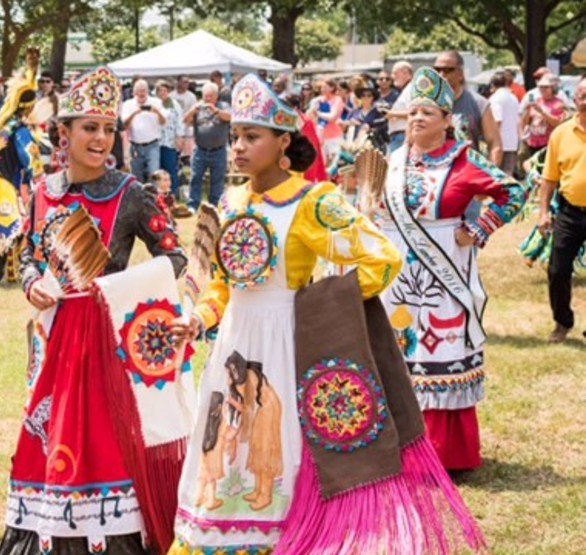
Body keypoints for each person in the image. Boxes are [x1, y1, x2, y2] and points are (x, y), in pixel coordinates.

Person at [171, 72, 485, 555]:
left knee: (277, 445)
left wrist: (321, 306)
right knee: (226, 441)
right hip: (233, 345)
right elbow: (222, 283)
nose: (238, 147)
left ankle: (286, 537)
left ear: (283, 144)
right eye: (235, 136)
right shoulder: (232, 202)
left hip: (286, 342)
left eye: (252, 137)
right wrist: (200, 319)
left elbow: (382, 257)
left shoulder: (312, 202)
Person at [0, 66, 190, 555]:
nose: (101, 139)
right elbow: (33, 256)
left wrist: (118, 289)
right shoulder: (44, 192)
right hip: (55, 341)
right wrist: (33, 281)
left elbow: (175, 255)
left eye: (108, 130)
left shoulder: (130, 194)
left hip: (108, 344)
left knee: (104, 444)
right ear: (65, 133)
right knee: (49, 437)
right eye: (89, 128)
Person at [379, 67, 527, 470]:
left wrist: (480, 228)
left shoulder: (464, 161)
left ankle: (442, 453)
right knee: (396, 349)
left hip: (444, 269)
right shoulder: (392, 162)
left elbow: (514, 192)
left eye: (427, 112)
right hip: (396, 274)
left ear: (448, 120)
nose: (417, 119)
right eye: (412, 112)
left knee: (441, 350)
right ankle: (396, 447)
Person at [0, 49, 44, 284]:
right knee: (24, 226)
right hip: (15, 184)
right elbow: (30, 156)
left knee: (1, 227)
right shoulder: (19, 130)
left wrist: (32, 71)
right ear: (27, 106)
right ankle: (16, 267)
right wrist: (38, 176)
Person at [538, 77, 586, 343]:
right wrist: (543, 212)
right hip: (570, 212)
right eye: (582, 96)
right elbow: (549, 179)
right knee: (557, 270)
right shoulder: (561, 134)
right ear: (575, 100)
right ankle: (562, 322)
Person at [433, 51, 502, 166]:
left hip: (468, 172)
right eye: (437, 70)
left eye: (448, 70)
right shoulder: (426, 104)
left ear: (460, 74)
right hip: (435, 174)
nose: (441, 74)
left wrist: (490, 176)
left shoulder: (479, 103)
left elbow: (495, 143)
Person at [183, 82, 231, 212]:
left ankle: (214, 205)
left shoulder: (223, 106)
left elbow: (230, 117)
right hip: (200, 150)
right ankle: (193, 205)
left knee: (217, 179)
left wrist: (216, 111)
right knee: (195, 177)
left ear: (216, 96)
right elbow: (185, 121)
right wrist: (193, 111)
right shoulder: (198, 106)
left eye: (210, 96)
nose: (207, 99)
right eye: (205, 96)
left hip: (218, 150)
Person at [121, 79, 166, 182]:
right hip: (135, 146)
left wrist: (157, 112)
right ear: (134, 92)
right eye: (139, 91)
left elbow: (164, 122)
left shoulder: (156, 102)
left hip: (152, 145)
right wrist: (134, 113)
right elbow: (124, 125)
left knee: (154, 174)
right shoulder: (128, 104)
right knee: (136, 176)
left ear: (147, 91)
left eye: (144, 90)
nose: (142, 93)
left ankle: (154, 197)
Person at [521, 74, 568, 157]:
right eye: (540, 87)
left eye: (546, 87)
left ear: (553, 88)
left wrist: (542, 112)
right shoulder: (537, 101)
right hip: (533, 143)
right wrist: (522, 134)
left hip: (549, 144)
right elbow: (525, 120)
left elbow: (558, 123)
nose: (542, 89)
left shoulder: (559, 104)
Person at [489, 72, 521, 175]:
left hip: (499, 143)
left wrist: (492, 141)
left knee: (494, 174)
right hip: (512, 142)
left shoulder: (495, 98)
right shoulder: (513, 98)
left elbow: (497, 120)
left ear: (493, 85)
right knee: (508, 173)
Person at [156, 79, 184, 193]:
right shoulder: (154, 104)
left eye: (165, 90)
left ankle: (173, 194)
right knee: (158, 170)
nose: (162, 93)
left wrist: (179, 137)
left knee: (170, 169)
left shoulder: (174, 104)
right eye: (160, 91)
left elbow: (179, 121)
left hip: (170, 141)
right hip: (156, 141)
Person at [308, 79, 345, 163]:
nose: (322, 89)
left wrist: (318, 113)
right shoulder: (318, 100)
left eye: (325, 86)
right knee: (323, 164)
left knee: (335, 163)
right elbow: (310, 115)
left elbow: (332, 117)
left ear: (332, 88)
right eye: (321, 87)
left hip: (334, 137)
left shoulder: (337, 100)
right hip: (320, 137)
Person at [384, 61, 414, 154]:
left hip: (402, 136)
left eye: (395, 73)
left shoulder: (411, 88)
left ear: (405, 72)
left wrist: (391, 114)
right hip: (398, 137)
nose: (393, 77)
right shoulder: (407, 89)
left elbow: (414, 113)